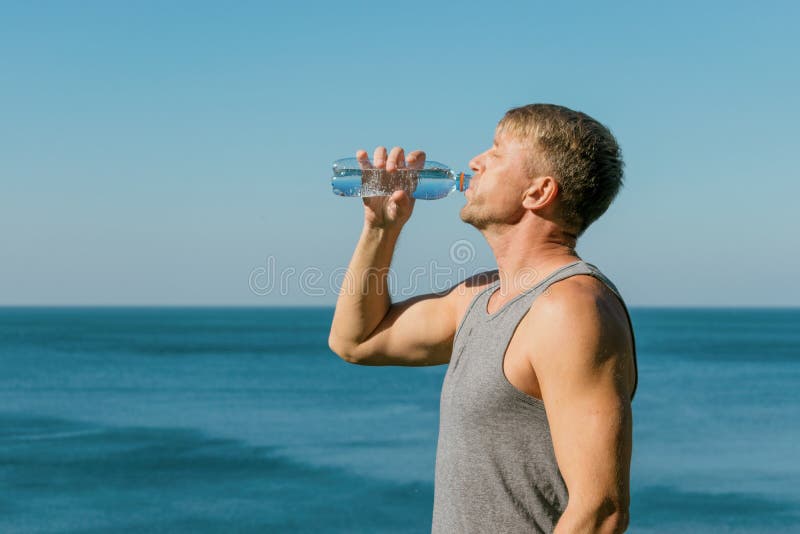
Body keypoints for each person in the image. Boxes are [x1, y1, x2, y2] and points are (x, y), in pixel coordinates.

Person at [328, 103, 638, 534]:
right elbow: (355, 341)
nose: (475, 162)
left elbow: (600, 513)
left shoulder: (570, 309)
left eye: (497, 151)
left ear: (538, 192)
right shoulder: (479, 296)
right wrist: (381, 228)